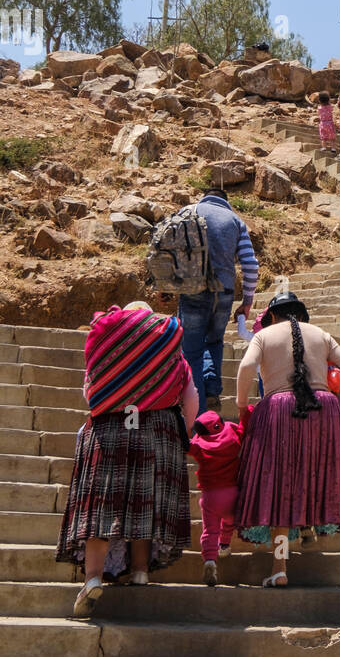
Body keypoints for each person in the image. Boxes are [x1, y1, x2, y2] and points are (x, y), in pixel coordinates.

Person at [56, 301, 198, 617]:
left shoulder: (107, 347)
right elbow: (191, 397)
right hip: (158, 430)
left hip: (109, 427)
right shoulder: (171, 353)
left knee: (102, 503)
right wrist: (183, 434)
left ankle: (93, 578)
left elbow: (89, 391)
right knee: (143, 501)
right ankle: (139, 570)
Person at [235, 292, 340, 586]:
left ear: (273, 316)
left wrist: (242, 405)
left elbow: (244, 367)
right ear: (301, 314)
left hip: (278, 410)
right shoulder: (320, 334)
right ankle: (307, 525)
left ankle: (280, 568)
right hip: (324, 410)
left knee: (279, 491)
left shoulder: (264, 336)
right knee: (312, 475)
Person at [179, 189, 259, 414]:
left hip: (192, 289)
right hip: (223, 292)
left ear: (204, 197)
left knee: (192, 351)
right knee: (214, 341)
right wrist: (247, 300)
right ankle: (212, 388)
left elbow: (166, 249)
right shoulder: (235, 220)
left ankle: (199, 413)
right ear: (226, 202)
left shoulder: (188, 211)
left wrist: (165, 287)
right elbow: (251, 265)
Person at [190, 409, 245, 586]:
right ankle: (225, 545)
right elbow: (244, 428)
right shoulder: (232, 437)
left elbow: (186, 445)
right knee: (229, 521)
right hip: (233, 493)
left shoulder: (199, 447)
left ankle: (210, 560)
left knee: (210, 530)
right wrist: (247, 411)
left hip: (210, 497)